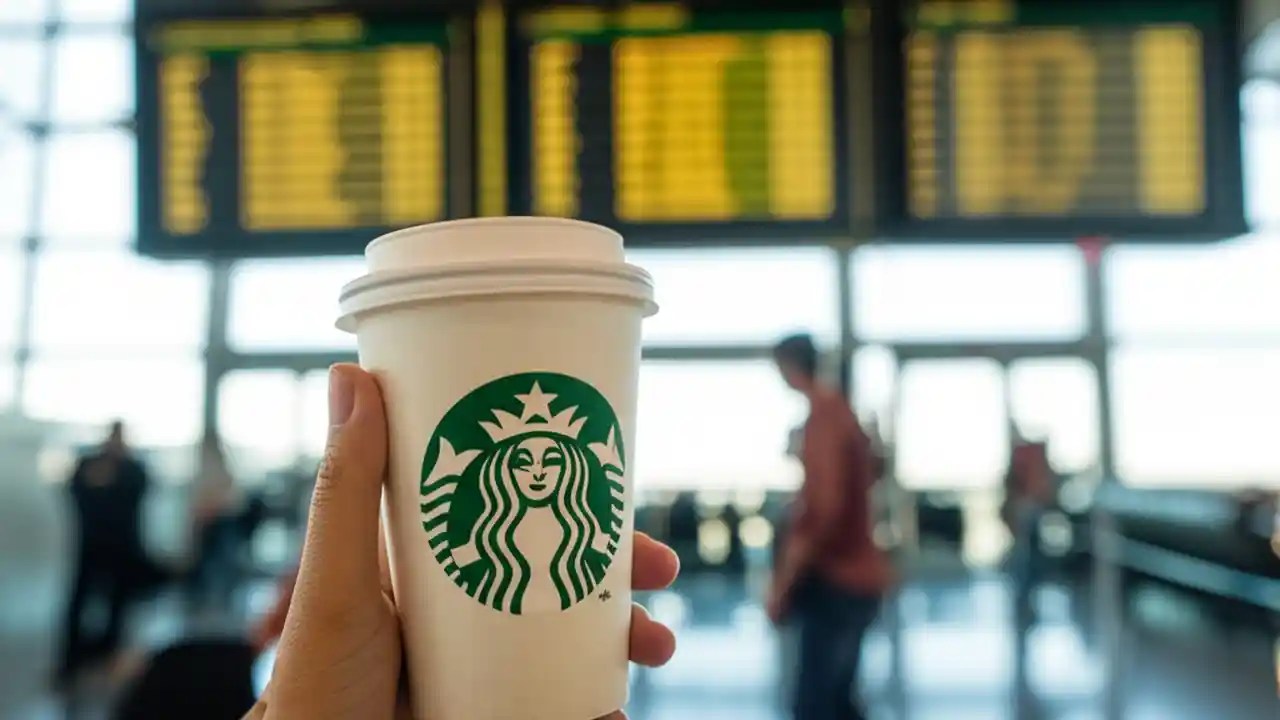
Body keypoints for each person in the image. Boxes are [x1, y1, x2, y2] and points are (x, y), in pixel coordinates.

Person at [242, 364, 678, 719]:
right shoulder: (481, 547)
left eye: (551, 460)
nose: (539, 473)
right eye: (524, 461)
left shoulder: (581, 542)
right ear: (502, 469)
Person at [767, 334, 892, 720]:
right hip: (858, 578)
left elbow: (824, 509)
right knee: (840, 699)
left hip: (837, 581)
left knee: (815, 704)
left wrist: (784, 581)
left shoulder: (824, 418)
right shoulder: (843, 414)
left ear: (789, 366)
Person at [59, 421, 152, 683]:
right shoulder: (89, 465)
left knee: (118, 608)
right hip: (91, 548)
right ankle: (71, 661)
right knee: (79, 605)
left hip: (122, 550)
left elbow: (137, 495)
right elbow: (75, 492)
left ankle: (107, 656)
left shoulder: (133, 469)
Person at [187, 432, 244, 613]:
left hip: (221, 525)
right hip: (207, 527)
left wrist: (212, 508)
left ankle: (220, 607)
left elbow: (233, 501)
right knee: (207, 570)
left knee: (222, 568)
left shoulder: (224, 473)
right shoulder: (202, 472)